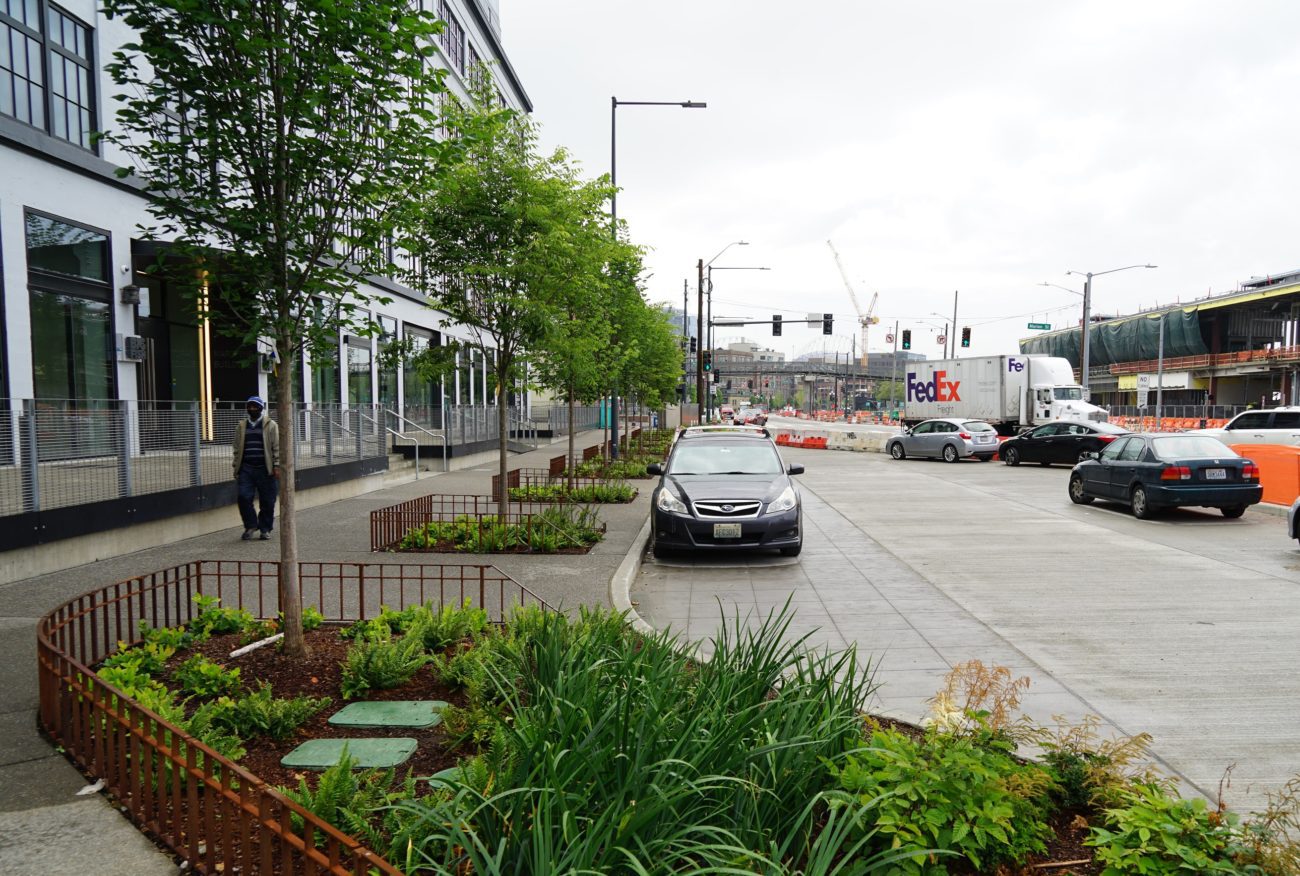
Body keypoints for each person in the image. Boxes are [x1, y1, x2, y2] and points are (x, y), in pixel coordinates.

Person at [232, 396, 280, 540]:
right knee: (243, 497)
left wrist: (277, 465)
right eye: (250, 406)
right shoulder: (241, 426)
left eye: (255, 406)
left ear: (261, 408)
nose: (252, 409)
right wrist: (236, 466)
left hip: (265, 469)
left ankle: (265, 529)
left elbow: (277, 447)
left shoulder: (271, 425)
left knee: (268, 501)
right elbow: (236, 448)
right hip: (246, 468)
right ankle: (251, 525)